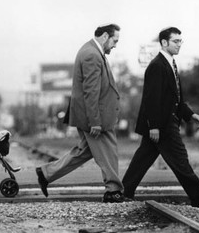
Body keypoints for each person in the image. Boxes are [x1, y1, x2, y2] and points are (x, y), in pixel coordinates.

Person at [122, 27, 199, 207]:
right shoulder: (157, 66)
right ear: (164, 43)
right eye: (176, 41)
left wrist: (191, 115)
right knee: (179, 158)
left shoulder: (171, 64)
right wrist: (153, 125)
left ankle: (124, 192)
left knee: (143, 158)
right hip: (162, 124)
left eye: (180, 41)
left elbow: (175, 99)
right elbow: (152, 99)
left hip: (167, 121)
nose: (179, 45)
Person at [36, 23, 129, 203]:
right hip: (96, 117)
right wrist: (95, 121)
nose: (115, 45)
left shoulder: (94, 52)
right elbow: (91, 91)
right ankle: (113, 191)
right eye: (114, 40)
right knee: (109, 151)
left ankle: (46, 174)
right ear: (104, 37)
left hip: (97, 115)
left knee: (84, 151)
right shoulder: (91, 55)